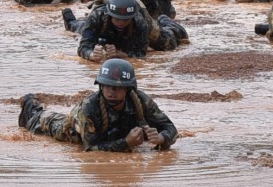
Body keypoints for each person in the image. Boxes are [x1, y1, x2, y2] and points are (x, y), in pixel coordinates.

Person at [18, 58, 178, 151]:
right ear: (100, 86)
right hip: (75, 130)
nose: (111, 91)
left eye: (117, 87)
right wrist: (126, 143)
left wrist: (161, 138)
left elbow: (170, 128)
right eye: (107, 86)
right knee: (45, 121)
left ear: (128, 89)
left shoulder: (140, 100)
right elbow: (91, 149)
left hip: (111, 133)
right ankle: (30, 106)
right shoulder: (90, 107)